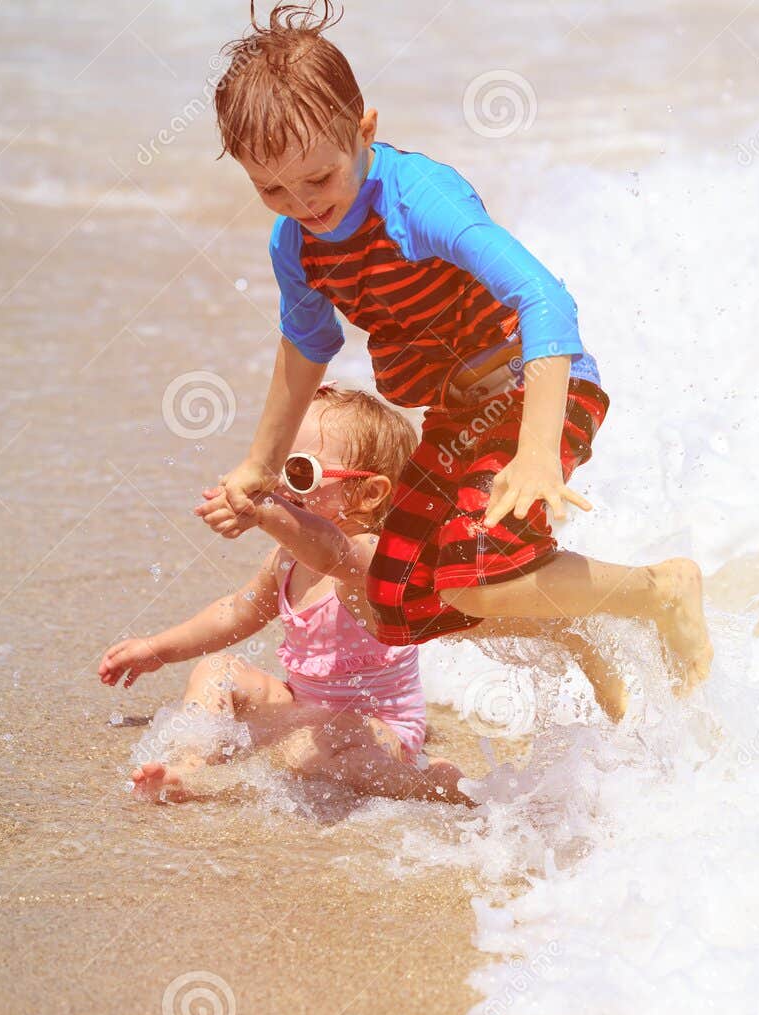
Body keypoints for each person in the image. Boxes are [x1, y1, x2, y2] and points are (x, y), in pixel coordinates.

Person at [194, 2, 712, 721]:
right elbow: (308, 345)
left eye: (319, 178)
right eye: (272, 188)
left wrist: (536, 457)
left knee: (477, 573)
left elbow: (545, 300)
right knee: (396, 602)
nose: (301, 203)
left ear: (364, 130)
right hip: (462, 414)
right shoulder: (298, 246)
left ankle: (661, 590)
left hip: (542, 391)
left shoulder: (420, 200)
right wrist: (259, 464)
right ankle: (574, 628)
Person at [100, 385, 466, 803]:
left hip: (375, 728)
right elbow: (235, 612)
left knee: (329, 744)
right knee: (219, 669)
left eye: (301, 472)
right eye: (276, 468)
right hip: (303, 708)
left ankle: (433, 783)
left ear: (368, 494)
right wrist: (158, 649)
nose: (278, 486)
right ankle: (190, 765)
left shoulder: (371, 556)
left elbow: (333, 553)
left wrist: (266, 512)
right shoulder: (286, 560)